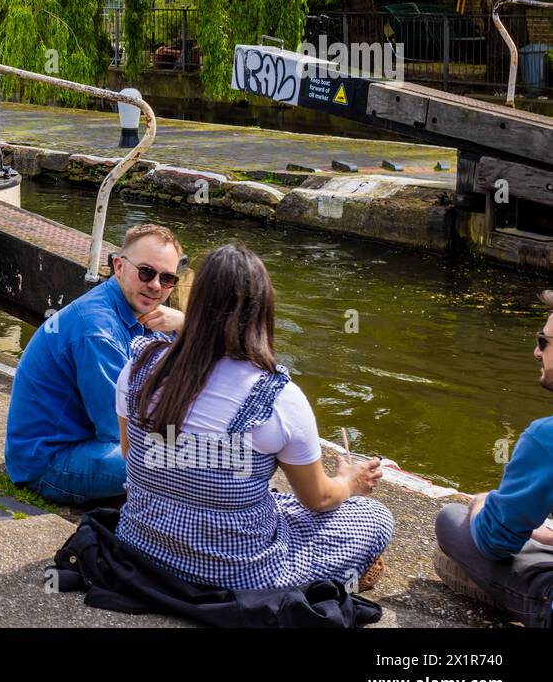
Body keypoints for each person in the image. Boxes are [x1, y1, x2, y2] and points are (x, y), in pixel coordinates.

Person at [116, 244, 393, 591]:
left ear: (195, 303)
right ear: (263, 310)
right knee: (375, 517)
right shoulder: (277, 397)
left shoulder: (140, 367)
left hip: (141, 548)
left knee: (272, 500)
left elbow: (131, 456)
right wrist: (351, 482)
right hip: (236, 572)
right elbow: (319, 500)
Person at [5, 223, 186, 504]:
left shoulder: (138, 310)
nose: (155, 286)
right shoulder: (97, 332)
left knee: (193, 451)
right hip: (49, 462)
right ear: (118, 266)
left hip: (83, 442)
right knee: (182, 464)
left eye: (167, 279)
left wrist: (186, 324)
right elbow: (118, 431)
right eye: (146, 272)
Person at [434, 290, 553, 627]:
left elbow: (495, 541)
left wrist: (481, 502)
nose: (536, 352)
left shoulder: (545, 436)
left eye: (543, 341)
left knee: (452, 518)